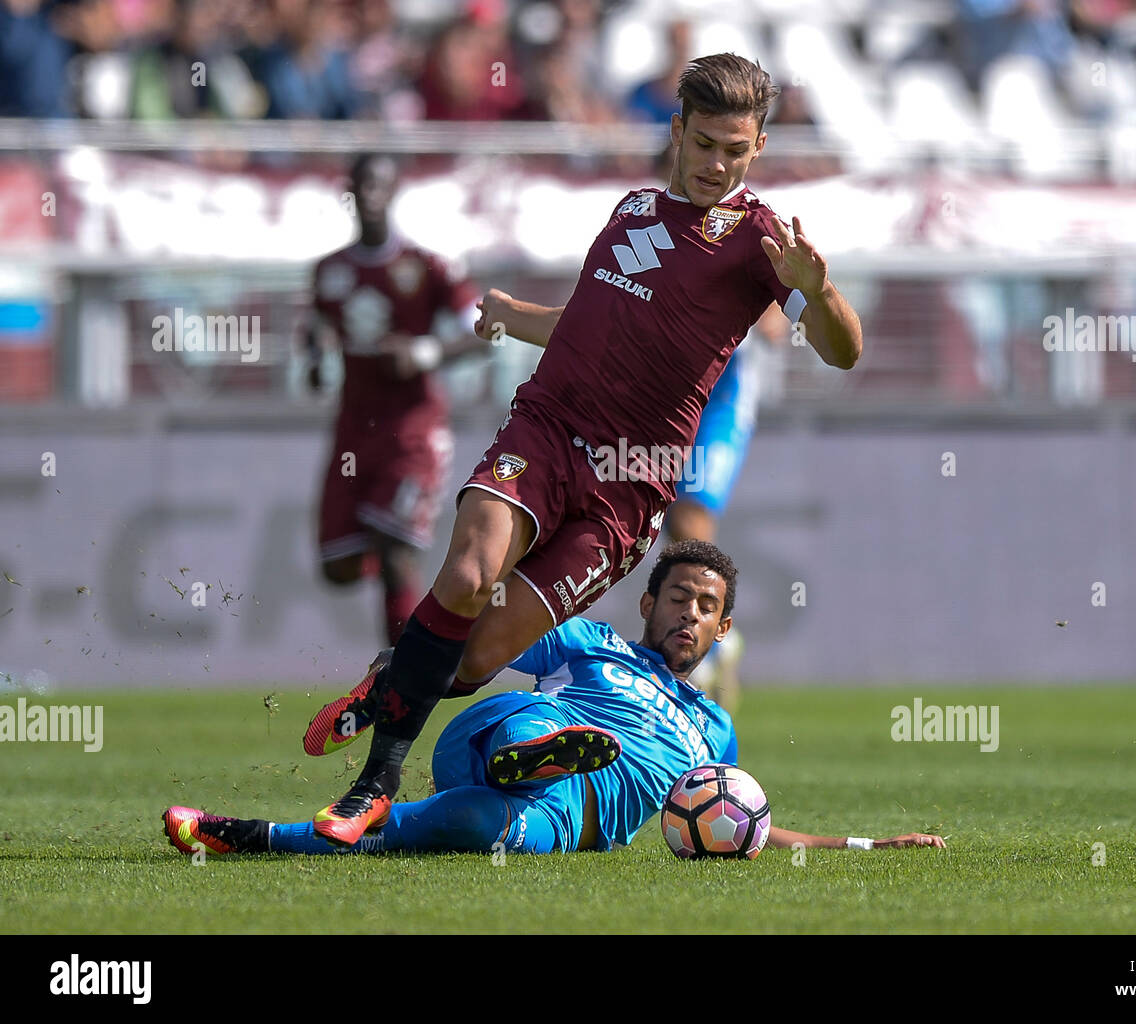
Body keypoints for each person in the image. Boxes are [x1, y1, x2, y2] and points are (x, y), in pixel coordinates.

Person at [303, 52, 864, 848]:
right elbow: (591, 322)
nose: (716, 165)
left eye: (735, 151)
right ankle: (373, 785)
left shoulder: (762, 240)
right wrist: (511, 314)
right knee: (466, 577)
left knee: (485, 649)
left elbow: (844, 352)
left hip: (629, 484)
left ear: (758, 149)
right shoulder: (633, 210)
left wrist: (822, 288)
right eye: (704, 144)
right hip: (549, 428)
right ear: (677, 131)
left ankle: (391, 682)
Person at [164, 543, 944, 857]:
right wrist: (394, 675)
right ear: (647, 605)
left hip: (576, 819)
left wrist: (866, 846)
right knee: (540, 719)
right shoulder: (589, 642)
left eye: (706, 608)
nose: (688, 616)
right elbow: (467, 654)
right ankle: (528, 754)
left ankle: (249, 834)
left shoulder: (717, 729)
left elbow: (740, 817)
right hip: (487, 736)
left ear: (723, 627)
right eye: (677, 599)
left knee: (467, 827)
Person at [305, 153, 483, 646]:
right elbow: (318, 331)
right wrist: (317, 357)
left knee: (393, 553)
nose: (371, 197)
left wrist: (424, 351)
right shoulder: (329, 271)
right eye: (362, 187)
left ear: (395, 191)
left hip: (414, 427)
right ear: (350, 194)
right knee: (338, 567)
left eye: (381, 186)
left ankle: (401, 672)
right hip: (353, 429)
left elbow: (486, 330)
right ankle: (398, 571)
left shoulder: (426, 266)